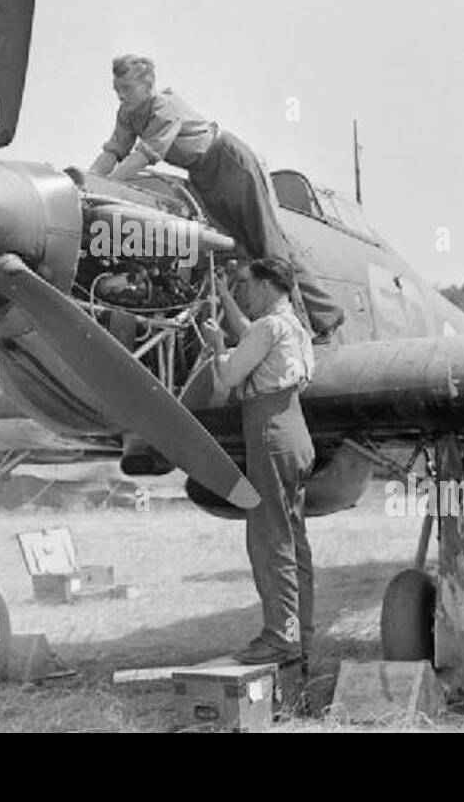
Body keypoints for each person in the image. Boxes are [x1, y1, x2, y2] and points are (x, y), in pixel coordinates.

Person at [88, 54, 344, 339]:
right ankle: (310, 318)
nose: (120, 96)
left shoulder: (165, 106)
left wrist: (101, 187)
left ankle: (312, 326)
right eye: (117, 90)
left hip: (228, 164)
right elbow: (113, 152)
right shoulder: (127, 113)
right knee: (245, 247)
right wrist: (85, 184)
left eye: (126, 88)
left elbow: (143, 156)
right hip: (202, 175)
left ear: (148, 84)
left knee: (270, 249)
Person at [199, 257, 316, 666]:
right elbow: (251, 337)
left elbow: (231, 375)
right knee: (293, 538)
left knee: (268, 539)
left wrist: (216, 348)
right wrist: (226, 296)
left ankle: (279, 637)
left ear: (268, 285)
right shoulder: (292, 326)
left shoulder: (270, 327)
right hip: (294, 431)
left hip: (269, 432)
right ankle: (301, 635)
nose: (243, 290)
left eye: (245, 283)